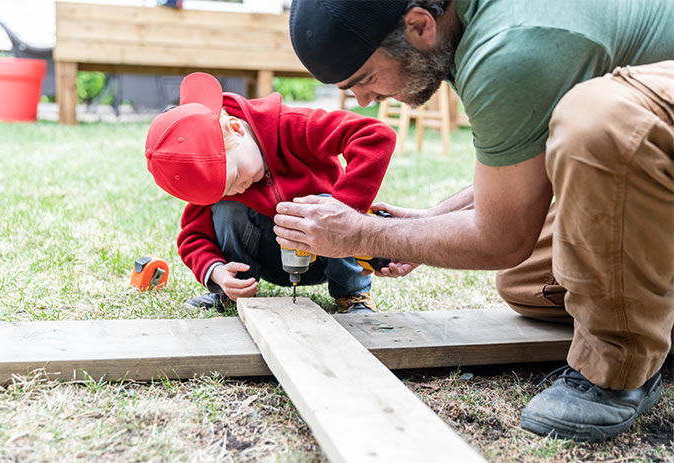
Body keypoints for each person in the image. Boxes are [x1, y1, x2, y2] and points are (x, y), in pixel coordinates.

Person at [275, 0, 674, 442]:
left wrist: (360, 233)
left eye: (365, 79)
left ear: (420, 25)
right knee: (530, 282)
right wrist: (430, 222)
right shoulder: (467, 28)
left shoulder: (509, 43)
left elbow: (501, 238)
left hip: (640, 132)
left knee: (601, 118)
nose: (364, 100)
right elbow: (526, 170)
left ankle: (617, 368)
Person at [144, 72, 396, 314]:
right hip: (267, 262)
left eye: (234, 178)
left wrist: (347, 212)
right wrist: (219, 273)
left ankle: (352, 294)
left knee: (325, 204)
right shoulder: (219, 183)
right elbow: (193, 237)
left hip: (326, 254)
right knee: (227, 209)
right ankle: (231, 293)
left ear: (236, 128)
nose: (237, 190)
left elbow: (374, 135)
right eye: (224, 191)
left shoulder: (293, 124)